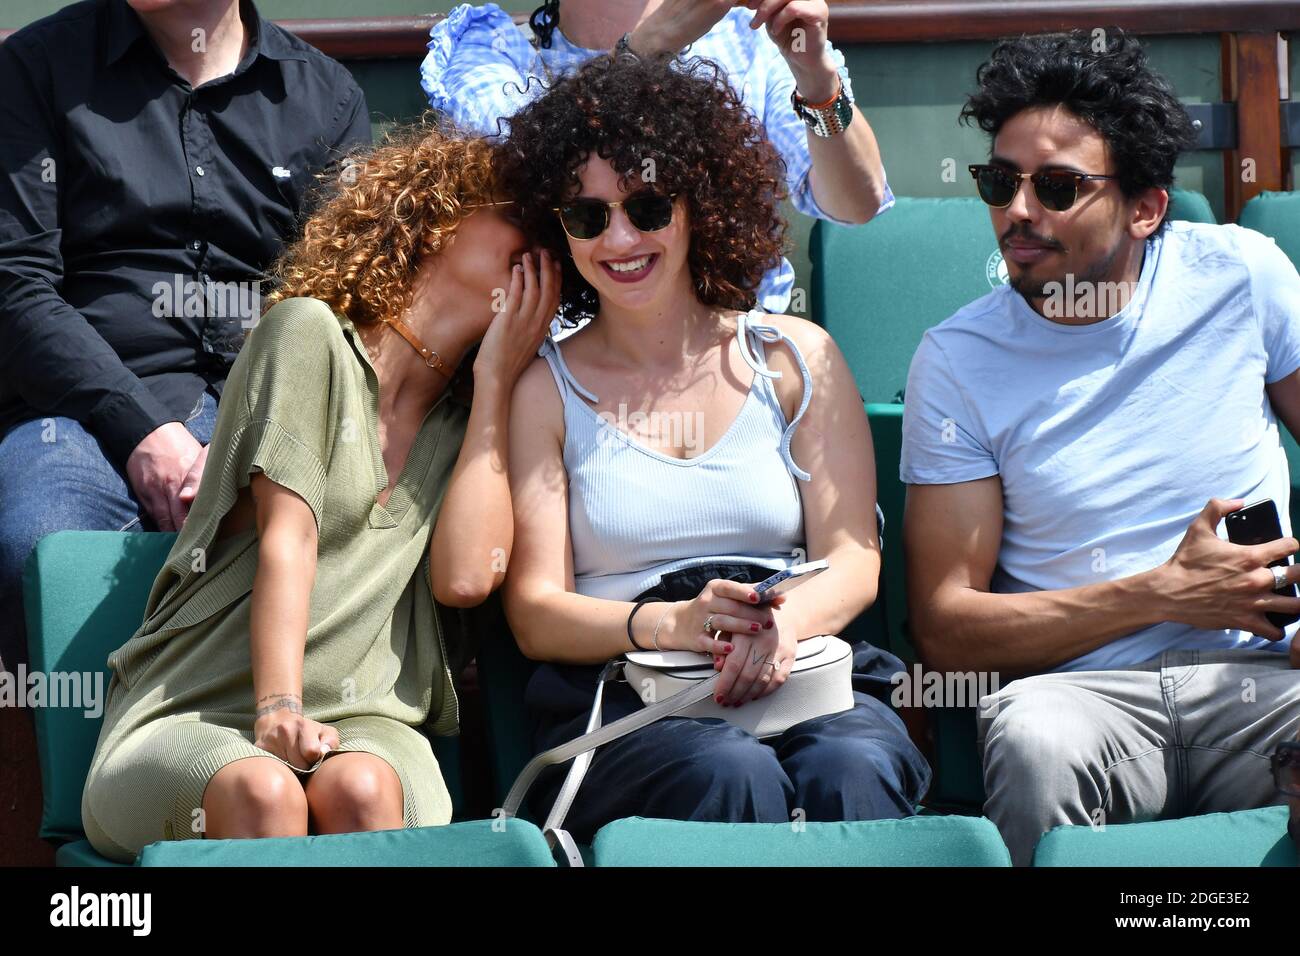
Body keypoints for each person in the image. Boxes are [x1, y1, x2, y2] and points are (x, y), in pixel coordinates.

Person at [80, 121, 561, 862]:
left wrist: (495, 382)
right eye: (518, 212)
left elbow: (466, 579)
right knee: (263, 792)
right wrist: (278, 711)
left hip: (371, 722)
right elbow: (289, 537)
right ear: (439, 217)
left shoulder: (479, 416)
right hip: (201, 713)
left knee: (364, 792)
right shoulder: (309, 334)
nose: (542, 242)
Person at [499, 52, 930, 844]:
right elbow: (535, 613)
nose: (619, 238)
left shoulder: (796, 357)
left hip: (797, 660)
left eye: (648, 206)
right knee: (728, 772)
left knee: (853, 766)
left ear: (702, 203)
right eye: (587, 217)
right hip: (630, 684)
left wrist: (783, 626)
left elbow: (853, 557)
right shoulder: (544, 389)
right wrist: (670, 625)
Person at [900, 31, 1300, 865]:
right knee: (1036, 743)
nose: (1017, 210)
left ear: (1147, 208)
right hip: (1079, 699)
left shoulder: (1243, 275)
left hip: (1263, 686)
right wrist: (1162, 594)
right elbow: (946, 631)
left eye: (1055, 187)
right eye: (999, 182)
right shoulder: (957, 359)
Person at [0, 0, 373, 674]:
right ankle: (84, 777)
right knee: (40, 548)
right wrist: (141, 428)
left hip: (270, 408)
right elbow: (16, 285)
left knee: (351, 544)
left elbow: (345, 302)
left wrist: (249, 433)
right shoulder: (34, 69)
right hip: (76, 410)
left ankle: (278, 767)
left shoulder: (326, 97)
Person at [421, 0, 893, 314]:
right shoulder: (490, 50)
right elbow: (532, 161)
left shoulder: (750, 40)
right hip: (562, 380)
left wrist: (816, 80)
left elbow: (856, 203)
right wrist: (652, 44)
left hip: (741, 359)